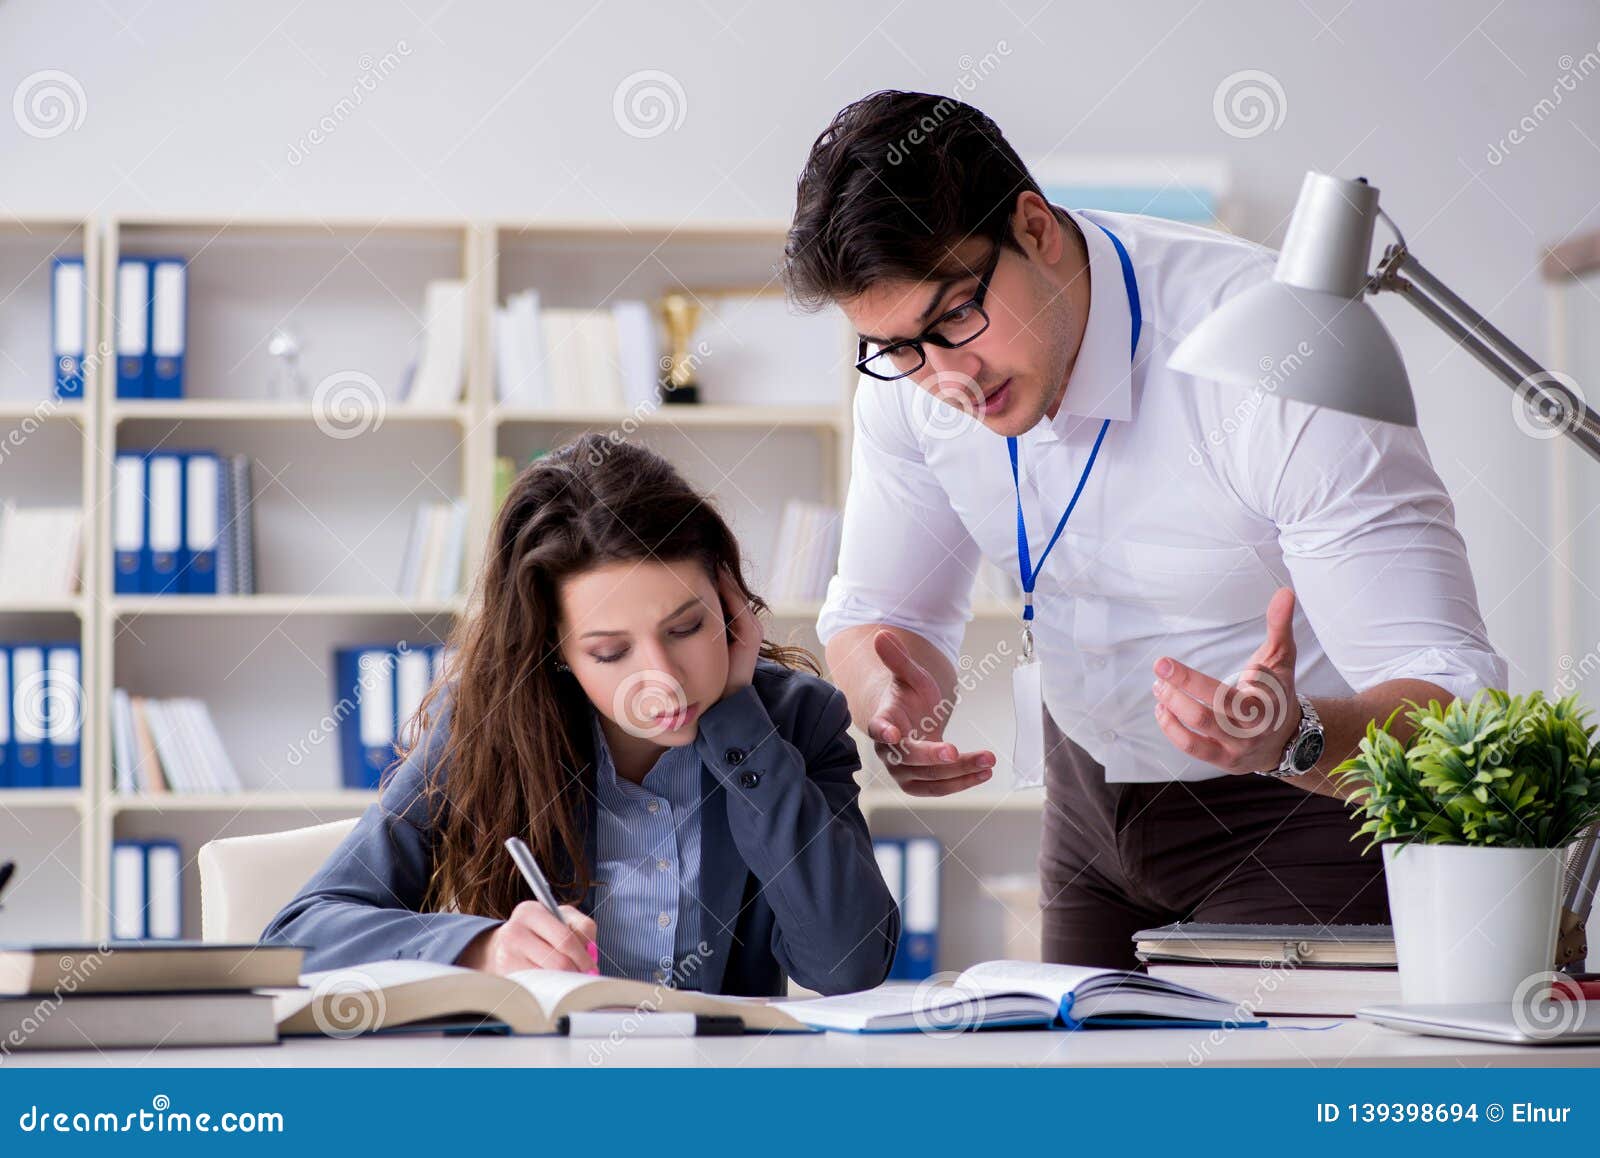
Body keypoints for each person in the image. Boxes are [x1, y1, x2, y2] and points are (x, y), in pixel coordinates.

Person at [785, 91, 1507, 970]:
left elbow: (1454, 701)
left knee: (1254, 1107)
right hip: (1087, 807)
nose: (946, 379)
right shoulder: (908, 383)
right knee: (1083, 1103)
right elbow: (877, 613)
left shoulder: (1278, 356)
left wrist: (1295, 733)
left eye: (953, 318)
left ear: (1035, 227)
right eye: (897, 347)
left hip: (1303, 808)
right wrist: (887, 695)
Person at [263, 434, 898, 996]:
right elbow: (301, 934)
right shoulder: (492, 724)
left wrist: (741, 727)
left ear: (731, 604)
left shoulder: (794, 722)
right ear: (556, 649)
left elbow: (847, 964)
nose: (663, 680)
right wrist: (483, 950)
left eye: (686, 627)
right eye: (610, 651)